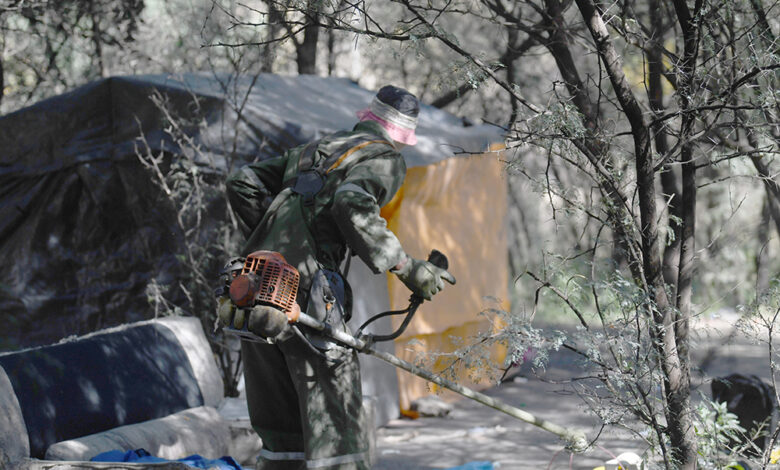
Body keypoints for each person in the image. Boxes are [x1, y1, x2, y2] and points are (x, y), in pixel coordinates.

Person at [221, 85, 456, 470]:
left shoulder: (313, 151)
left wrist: (278, 241)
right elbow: (352, 202)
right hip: (307, 297)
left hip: (254, 290)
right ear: (402, 137)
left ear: (366, 118)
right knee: (336, 425)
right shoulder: (384, 158)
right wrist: (407, 267)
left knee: (282, 440)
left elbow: (241, 182)